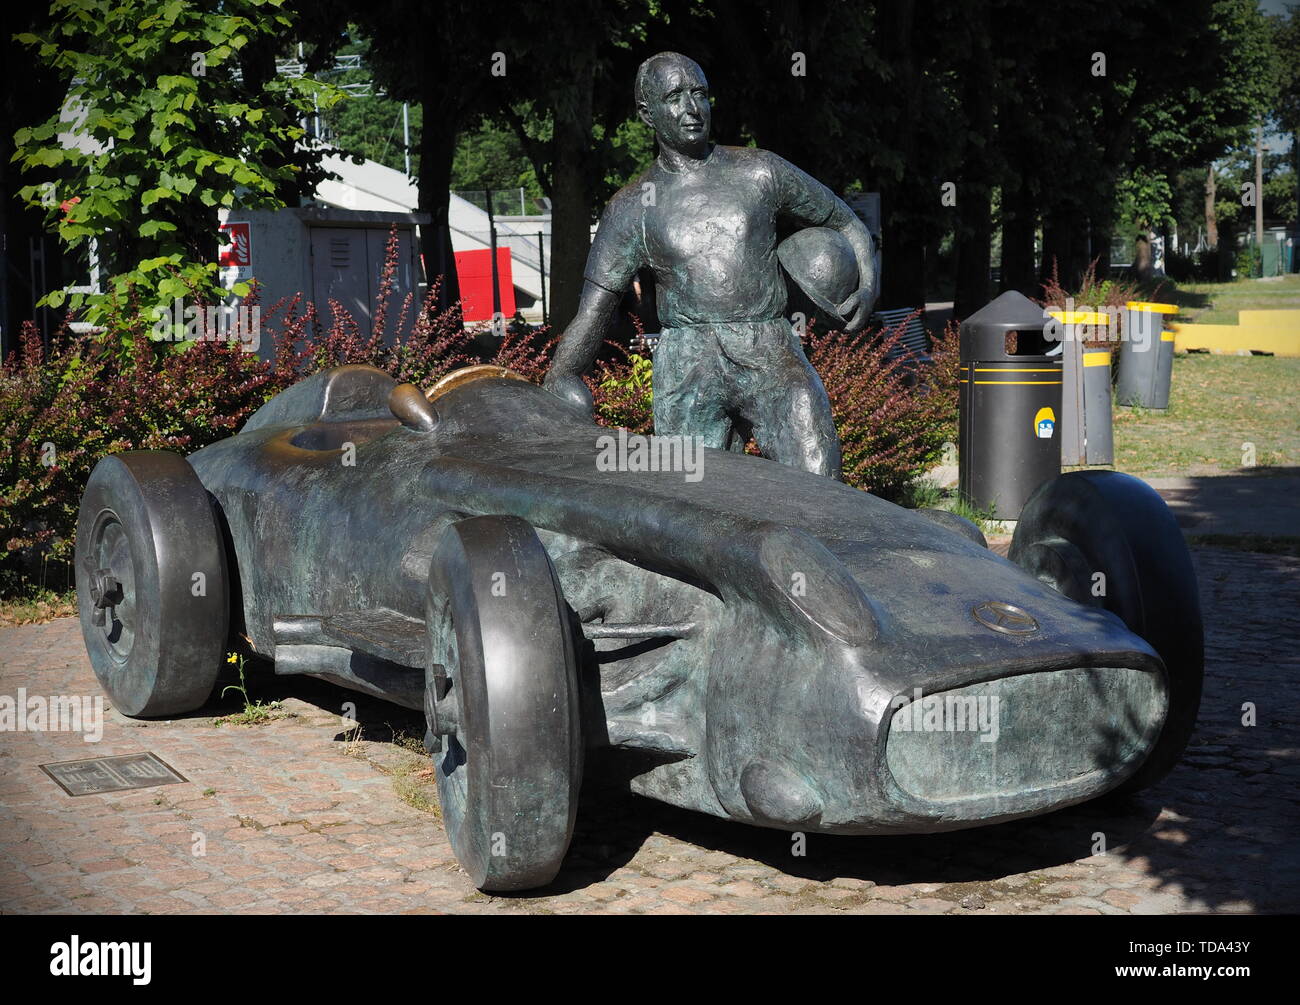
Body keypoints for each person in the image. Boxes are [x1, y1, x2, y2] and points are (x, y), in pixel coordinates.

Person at [543, 51, 877, 479]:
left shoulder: (759, 171)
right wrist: (563, 373)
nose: (692, 109)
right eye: (675, 96)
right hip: (688, 363)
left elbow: (846, 222)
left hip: (769, 346)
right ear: (648, 113)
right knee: (695, 502)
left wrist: (867, 285)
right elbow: (594, 311)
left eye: (700, 93)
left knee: (819, 479)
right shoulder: (631, 207)